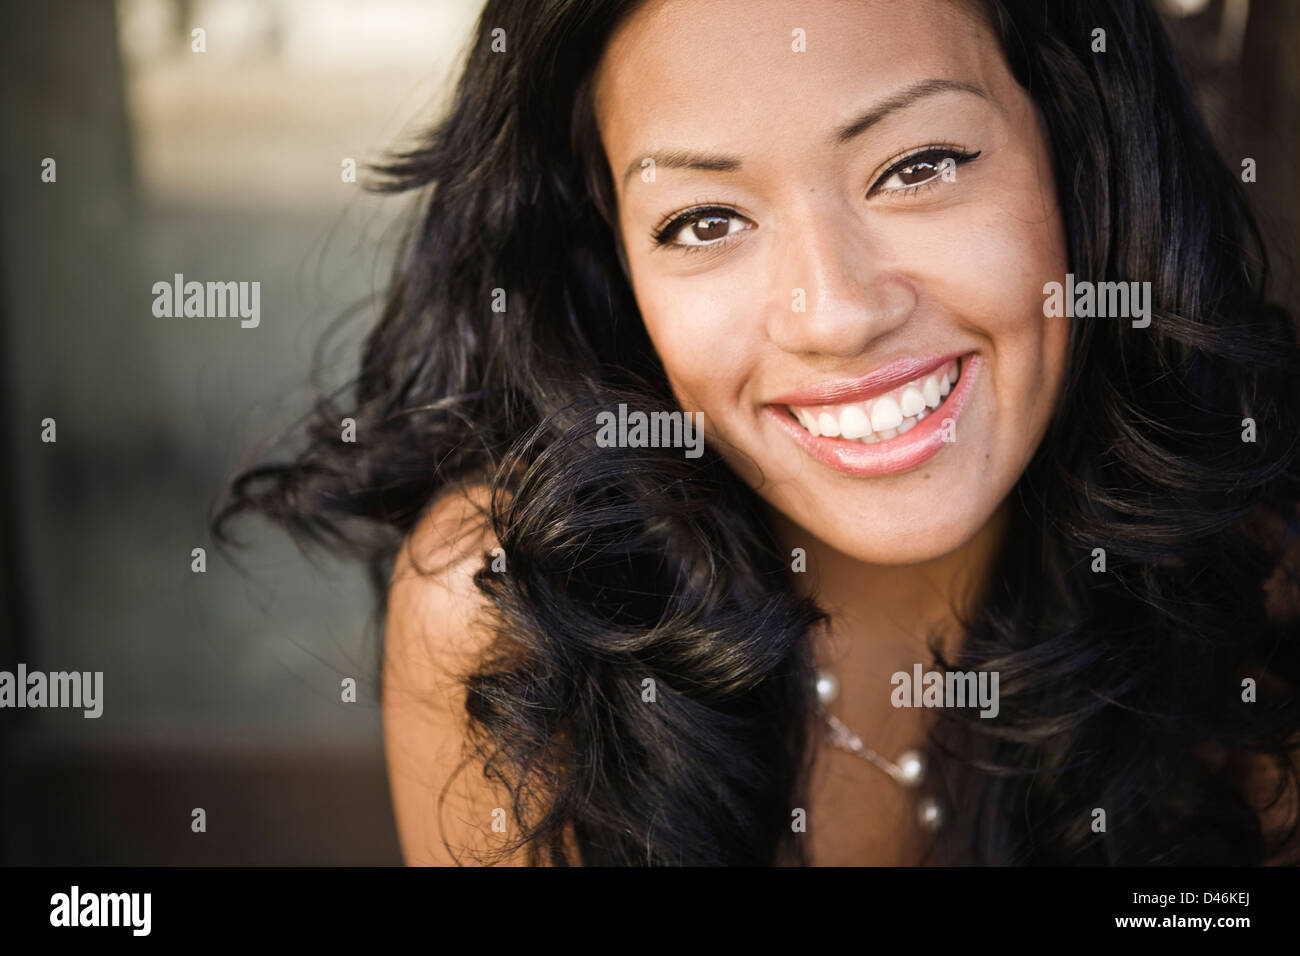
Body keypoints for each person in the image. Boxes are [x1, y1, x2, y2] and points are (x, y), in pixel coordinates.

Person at [214, 0, 1300, 865]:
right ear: (613, 273)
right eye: (704, 221)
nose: (834, 312)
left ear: (1079, 152)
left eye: (919, 165)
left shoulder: (1240, 569)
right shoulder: (510, 609)